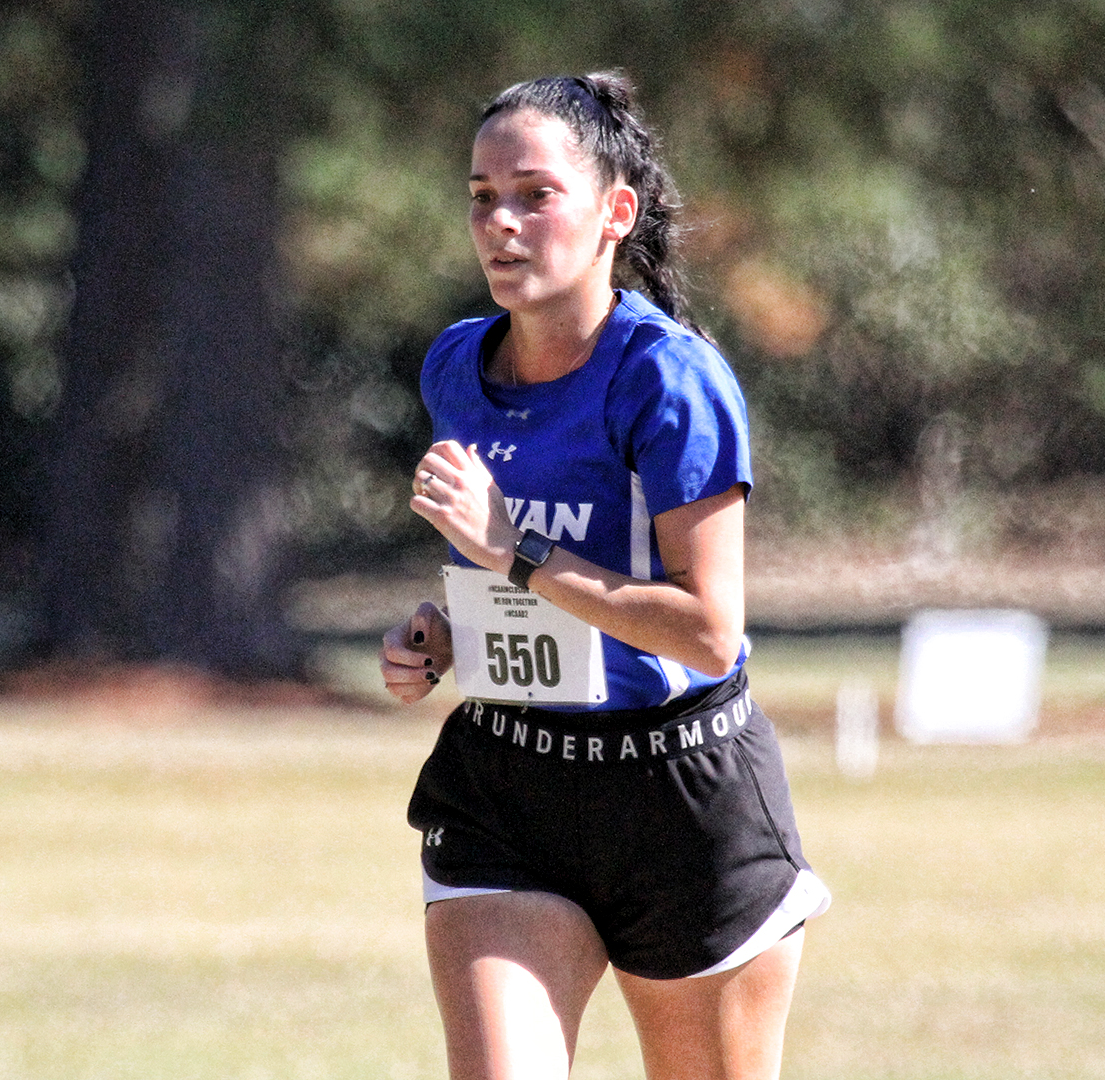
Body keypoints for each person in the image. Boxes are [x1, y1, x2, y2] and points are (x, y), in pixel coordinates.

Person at [380, 72, 829, 1080]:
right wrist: (440, 633)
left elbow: (710, 631)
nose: (502, 223)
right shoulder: (457, 365)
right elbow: (496, 566)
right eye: (482, 197)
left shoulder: (672, 380)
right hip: (509, 783)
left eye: (536, 195)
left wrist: (517, 555)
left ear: (613, 213)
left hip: (680, 795)